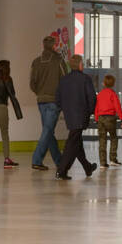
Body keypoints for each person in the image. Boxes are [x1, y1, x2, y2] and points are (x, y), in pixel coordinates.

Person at [55, 54, 98, 180]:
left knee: (76, 141)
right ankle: (61, 170)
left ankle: (87, 167)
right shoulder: (85, 79)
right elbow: (92, 98)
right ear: (80, 65)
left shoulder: (63, 80)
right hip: (81, 115)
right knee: (71, 143)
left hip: (69, 115)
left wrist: (65, 109)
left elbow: (58, 98)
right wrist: (89, 112)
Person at [29, 36, 67, 171]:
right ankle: (36, 160)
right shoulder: (59, 61)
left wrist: (40, 93)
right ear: (54, 46)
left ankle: (59, 161)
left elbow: (32, 83)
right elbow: (65, 81)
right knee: (47, 131)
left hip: (41, 101)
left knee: (48, 131)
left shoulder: (36, 62)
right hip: (53, 101)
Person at [94, 74, 122, 168]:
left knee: (102, 140)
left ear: (104, 83)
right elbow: (117, 106)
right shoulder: (112, 93)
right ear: (113, 84)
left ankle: (103, 163)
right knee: (113, 138)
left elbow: (96, 107)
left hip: (100, 118)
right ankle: (113, 159)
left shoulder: (100, 94)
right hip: (110, 118)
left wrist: (96, 118)